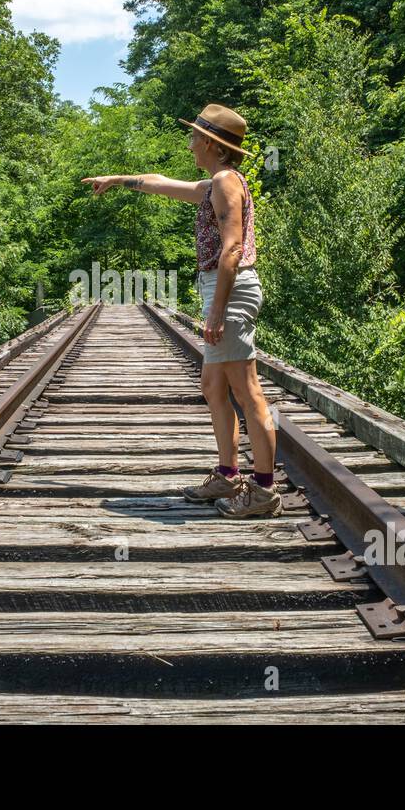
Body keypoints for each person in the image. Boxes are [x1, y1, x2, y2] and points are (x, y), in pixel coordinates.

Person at [81, 104, 280, 518]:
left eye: (194, 137)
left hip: (231, 288)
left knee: (248, 392)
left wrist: (217, 311)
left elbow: (232, 249)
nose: (189, 144)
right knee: (213, 386)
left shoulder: (225, 182)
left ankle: (263, 493)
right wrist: (118, 180)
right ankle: (227, 475)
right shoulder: (214, 183)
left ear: (210, 143)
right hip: (220, 288)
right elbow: (159, 184)